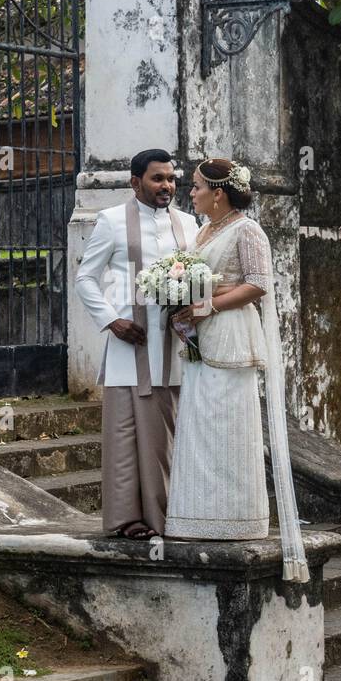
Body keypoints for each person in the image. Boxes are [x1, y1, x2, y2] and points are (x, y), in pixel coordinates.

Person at [166, 158, 309, 583]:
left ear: (219, 192)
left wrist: (208, 303)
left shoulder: (248, 230)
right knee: (199, 425)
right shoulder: (205, 230)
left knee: (229, 424)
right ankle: (197, 517)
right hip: (199, 337)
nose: (190, 194)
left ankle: (237, 519)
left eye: (195, 187)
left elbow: (259, 283)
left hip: (230, 336)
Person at [75, 149, 200, 540]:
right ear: (135, 182)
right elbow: (86, 278)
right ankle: (127, 520)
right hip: (131, 348)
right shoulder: (111, 221)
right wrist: (112, 321)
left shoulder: (189, 224)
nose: (167, 186)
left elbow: (200, 279)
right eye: (157, 179)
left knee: (170, 438)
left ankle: (174, 518)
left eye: (171, 179)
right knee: (125, 436)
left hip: (179, 348)